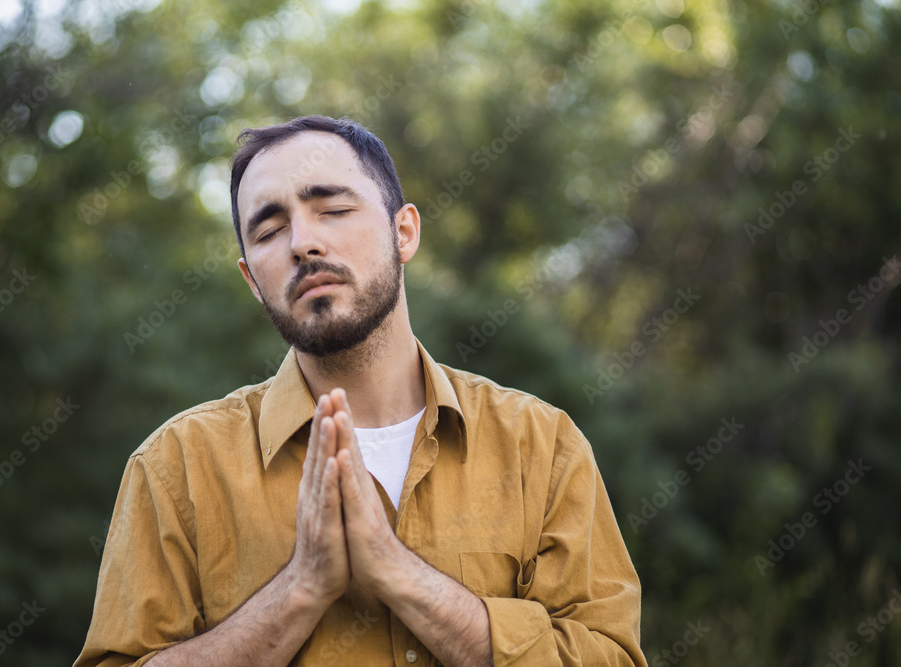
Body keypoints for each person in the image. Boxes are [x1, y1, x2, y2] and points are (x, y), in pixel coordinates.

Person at [75, 115, 646, 666]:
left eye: (334, 208)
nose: (303, 242)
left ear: (404, 232)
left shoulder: (542, 447)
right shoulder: (176, 468)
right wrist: (301, 587)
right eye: (270, 230)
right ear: (252, 279)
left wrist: (400, 575)